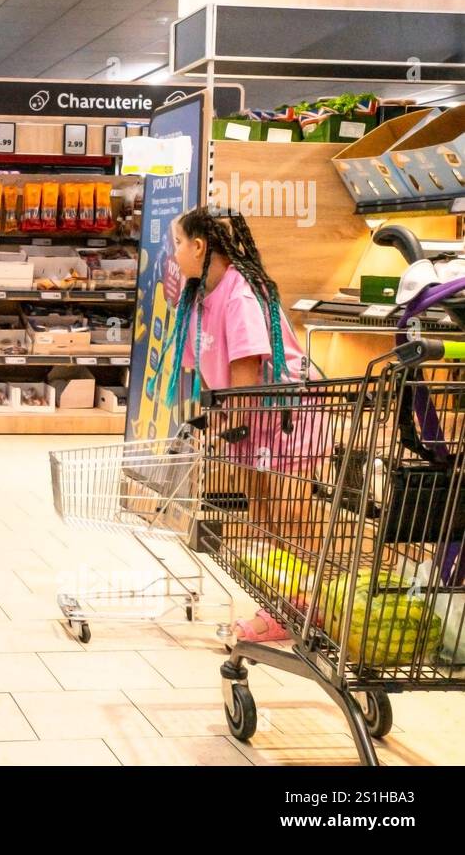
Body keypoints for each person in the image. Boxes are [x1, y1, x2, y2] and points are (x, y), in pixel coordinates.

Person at [152, 206, 315, 642]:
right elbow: (206, 375)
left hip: (285, 420)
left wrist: (226, 430)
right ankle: (283, 606)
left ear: (200, 246)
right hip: (253, 425)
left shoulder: (240, 295)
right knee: (262, 516)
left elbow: (243, 383)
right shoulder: (201, 300)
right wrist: (209, 427)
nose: (176, 254)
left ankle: (302, 605)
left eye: (179, 245)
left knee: (289, 517)